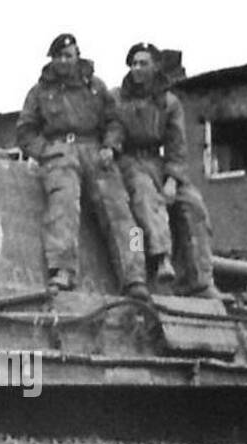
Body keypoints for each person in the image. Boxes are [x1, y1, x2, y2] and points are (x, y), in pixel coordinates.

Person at [17, 33, 150, 300]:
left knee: (123, 212)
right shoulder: (40, 91)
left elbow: (114, 122)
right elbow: (25, 131)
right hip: (60, 151)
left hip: (95, 151)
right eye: (58, 57)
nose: (63, 61)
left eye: (68, 56)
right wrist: (46, 152)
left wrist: (110, 146)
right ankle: (62, 268)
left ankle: (136, 274)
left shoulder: (96, 87)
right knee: (62, 206)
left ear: (78, 56)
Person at [111, 42, 221, 298]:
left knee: (193, 204)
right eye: (133, 63)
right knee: (145, 198)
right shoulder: (118, 97)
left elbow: (177, 146)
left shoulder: (168, 102)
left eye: (143, 63)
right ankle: (162, 259)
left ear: (155, 66)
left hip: (158, 163)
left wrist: (172, 179)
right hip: (128, 160)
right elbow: (112, 129)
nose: (137, 69)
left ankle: (200, 279)